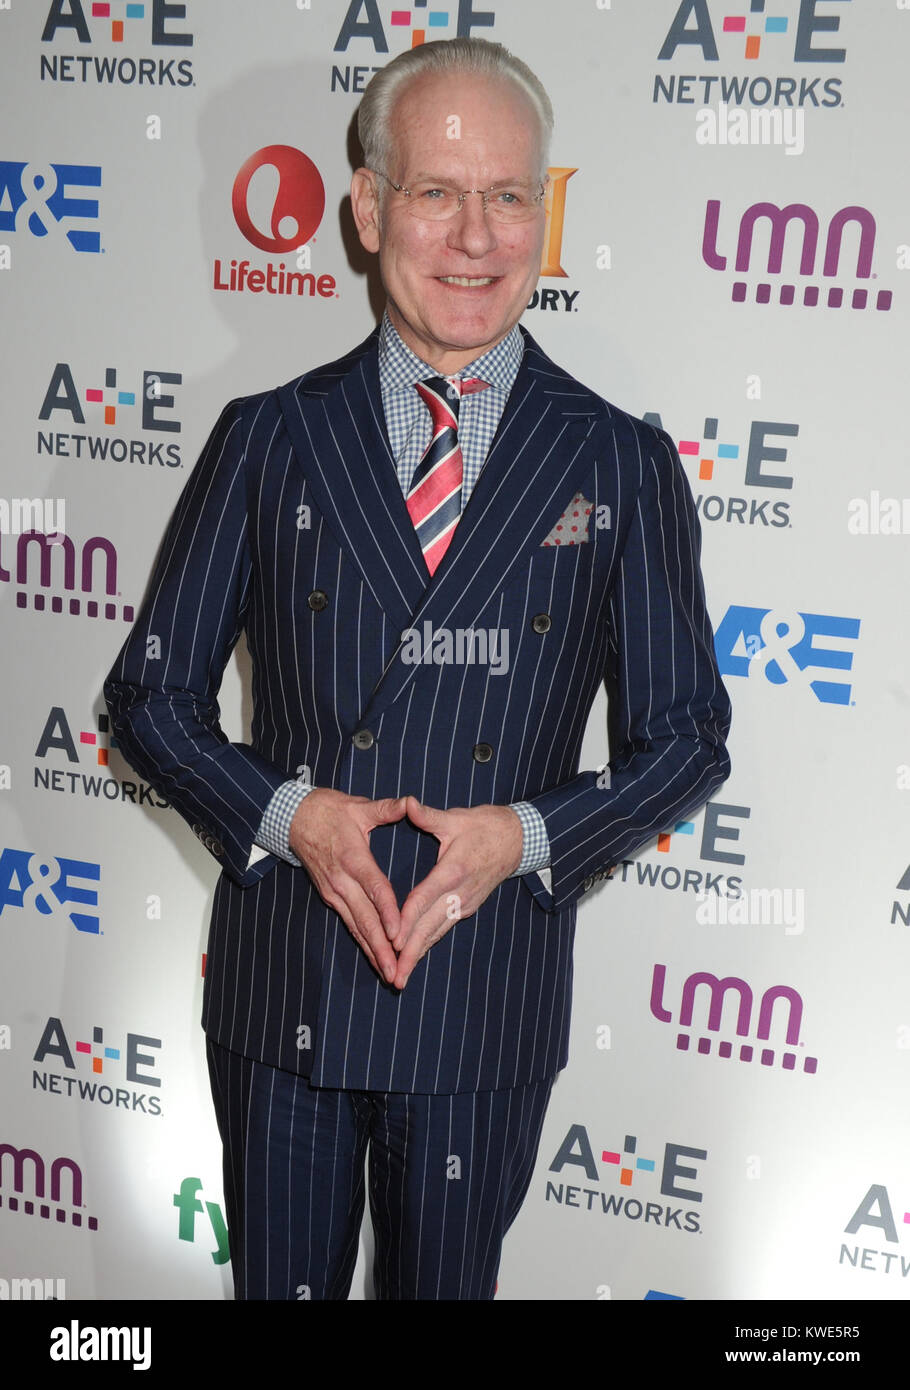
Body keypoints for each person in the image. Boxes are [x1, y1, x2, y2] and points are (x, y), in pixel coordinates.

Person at [105, 36, 731, 1301]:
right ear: (367, 207)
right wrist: (291, 816)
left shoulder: (617, 462)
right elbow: (149, 698)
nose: (476, 235)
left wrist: (528, 833)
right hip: (288, 985)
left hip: (482, 998)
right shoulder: (268, 437)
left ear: (544, 215)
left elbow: (685, 737)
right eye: (437, 191)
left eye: (509, 195)